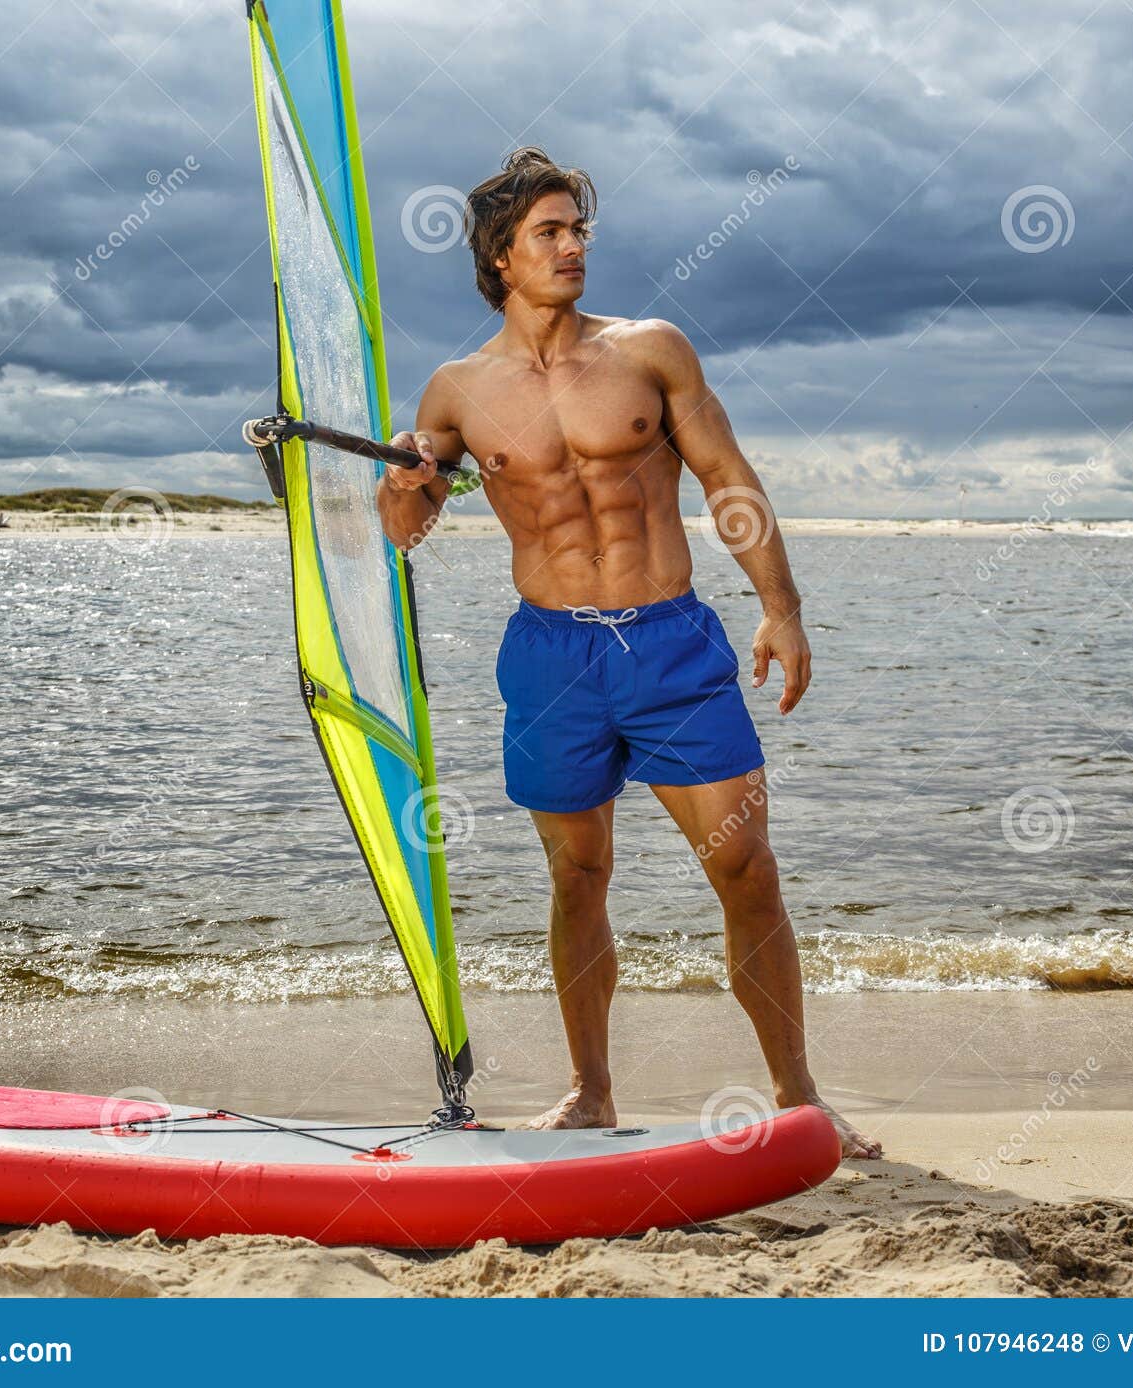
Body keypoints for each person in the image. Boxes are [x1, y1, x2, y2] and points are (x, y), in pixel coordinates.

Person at [377, 148, 880, 1160]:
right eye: (549, 234)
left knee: (742, 863)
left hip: (672, 643)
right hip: (553, 655)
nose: (572, 248)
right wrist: (408, 472)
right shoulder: (457, 388)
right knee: (577, 876)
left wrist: (779, 606)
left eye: (578, 230)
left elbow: (726, 475)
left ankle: (796, 1093)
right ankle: (590, 1091)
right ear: (499, 258)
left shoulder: (650, 350)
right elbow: (405, 529)